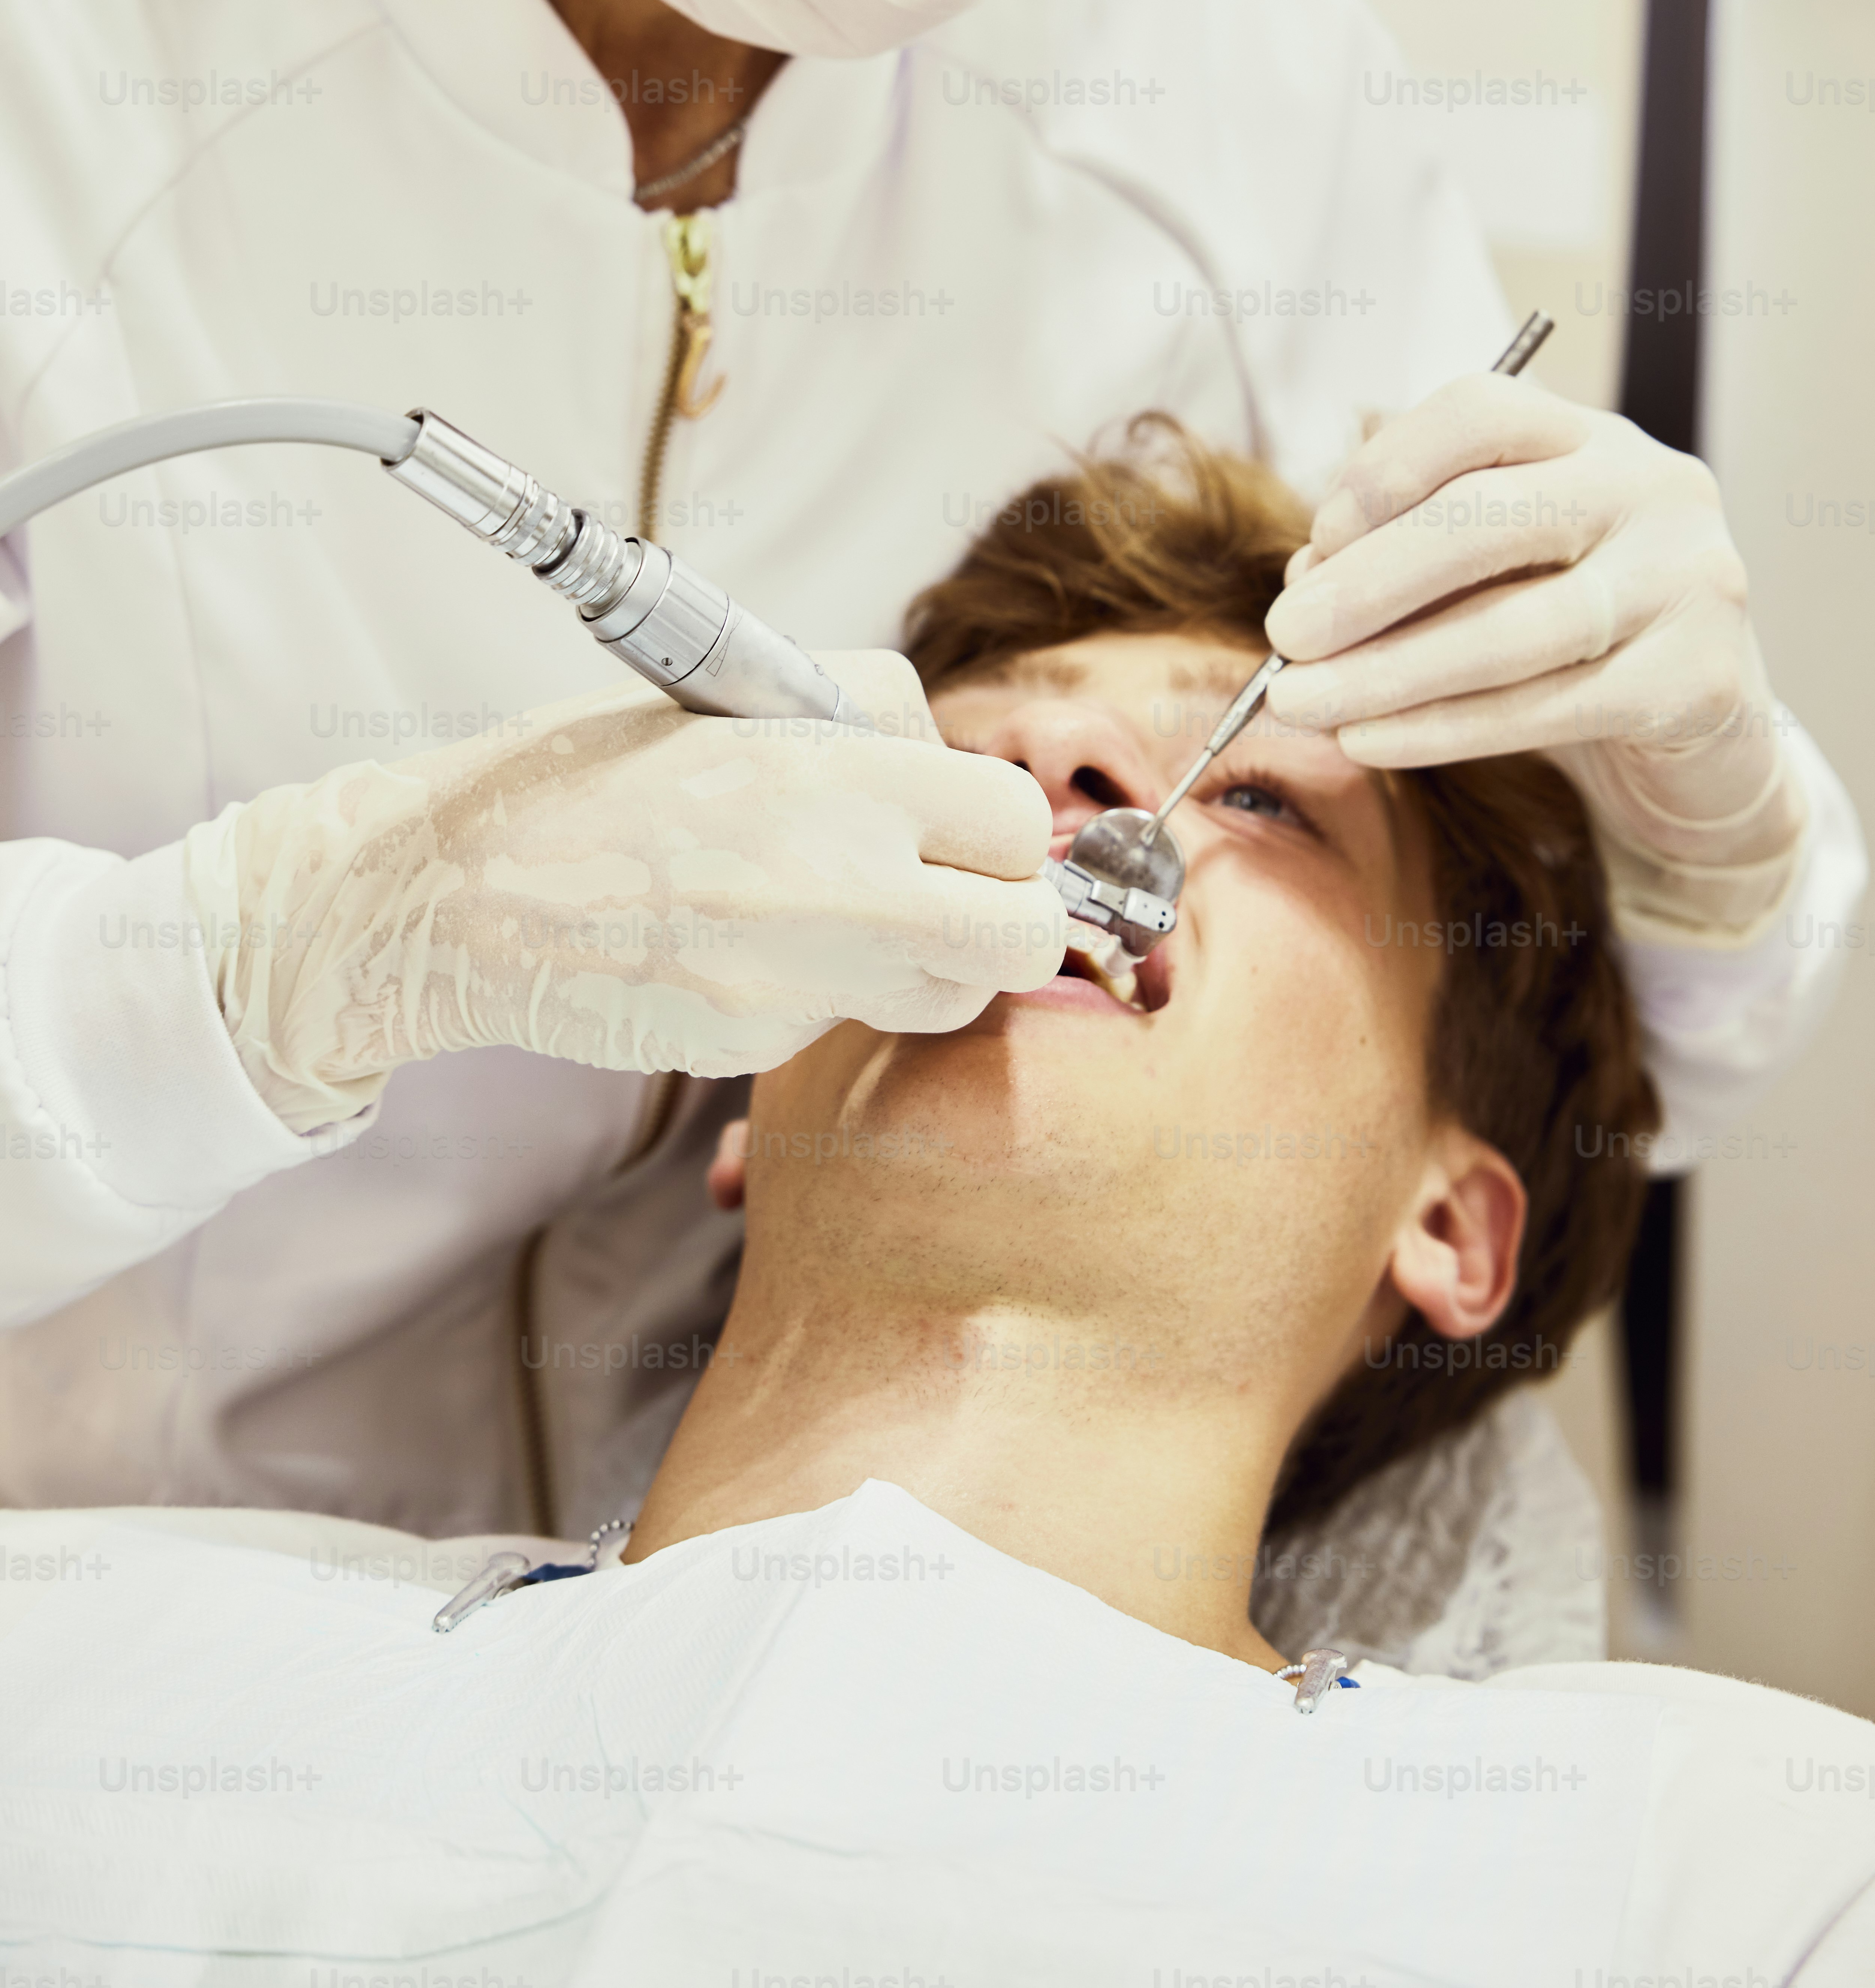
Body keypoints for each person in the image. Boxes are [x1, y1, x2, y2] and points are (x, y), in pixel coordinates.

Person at [0, 0, 1860, 1540]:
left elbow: (1538, 1062)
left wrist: (1703, 824)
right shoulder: (52, 37)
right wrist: (312, 944)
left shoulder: (1218, 98)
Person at [3, 437, 1871, 1982]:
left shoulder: (1709, 1877)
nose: (1057, 788)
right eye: (962, 772)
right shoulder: (86, 1655)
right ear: (740, 1105)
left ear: (1456, 1233)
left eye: (1280, 813)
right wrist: (278, 947)